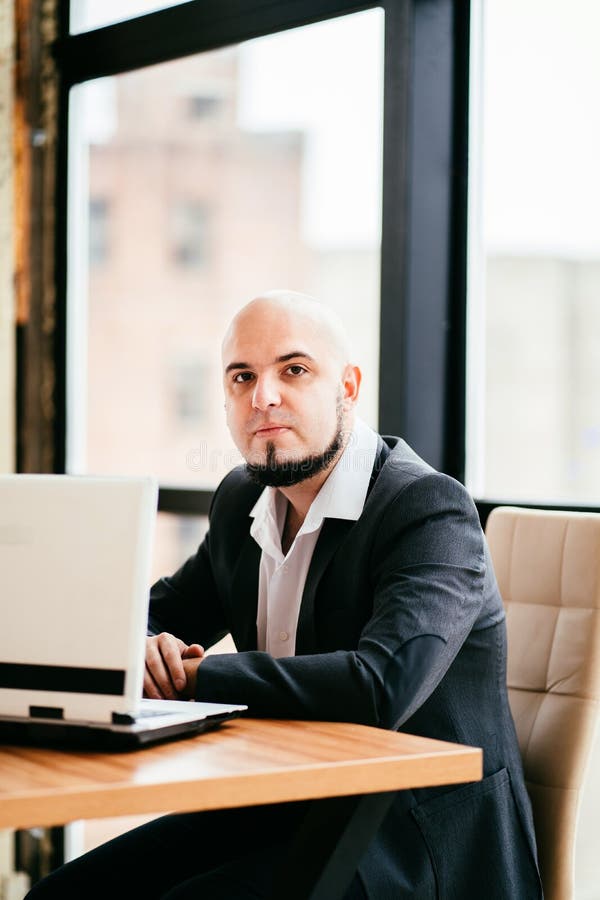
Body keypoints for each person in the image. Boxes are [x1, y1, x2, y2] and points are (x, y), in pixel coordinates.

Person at [28, 291, 543, 899]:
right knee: (61, 896)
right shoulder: (241, 501)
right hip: (286, 803)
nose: (262, 396)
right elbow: (150, 612)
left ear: (347, 387)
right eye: (242, 376)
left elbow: (380, 686)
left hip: (417, 839)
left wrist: (199, 678)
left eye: (293, 370)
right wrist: (141, 646)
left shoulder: (426, 510)